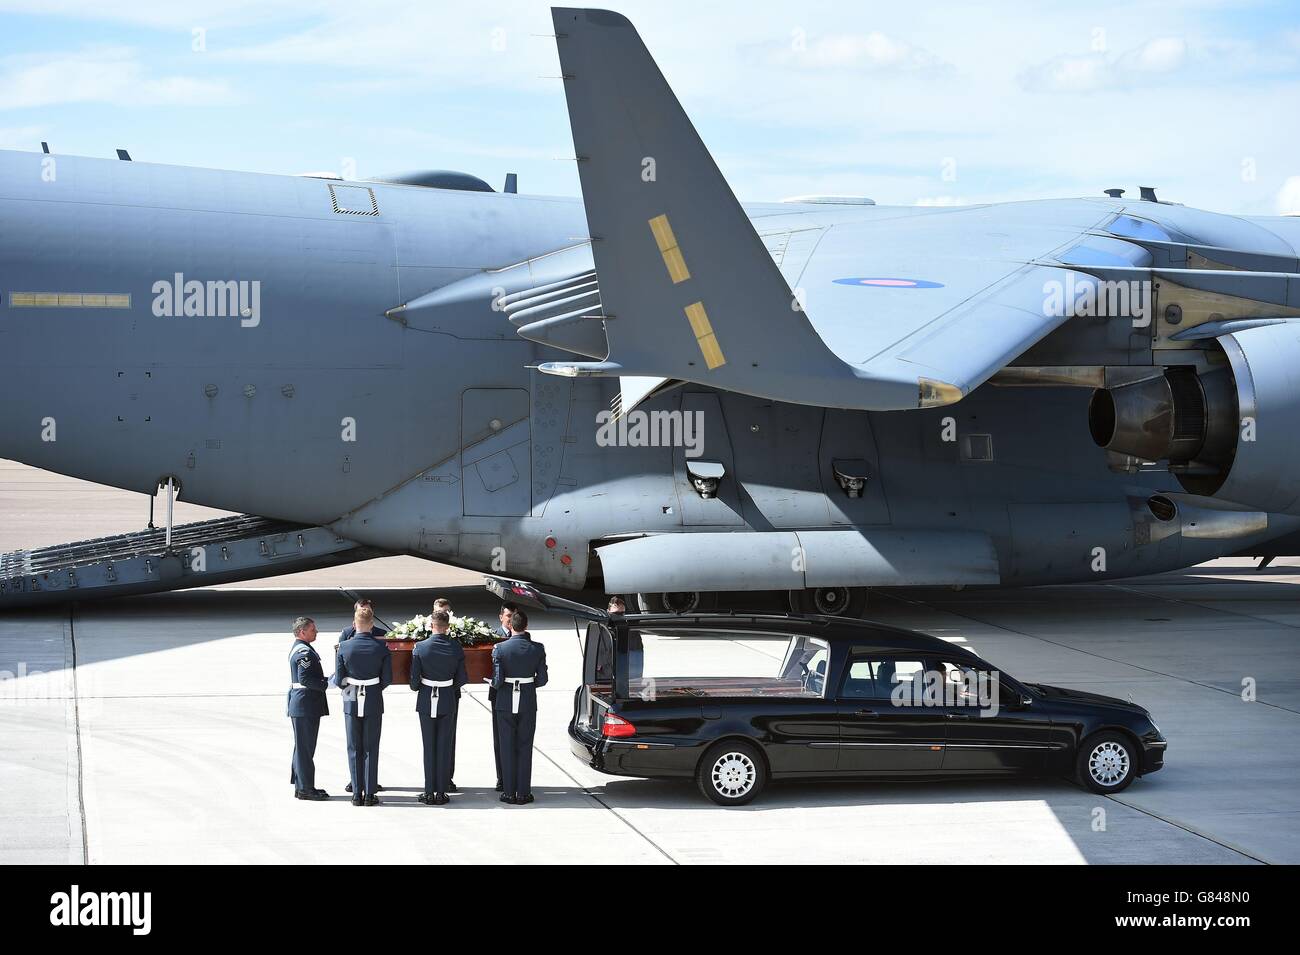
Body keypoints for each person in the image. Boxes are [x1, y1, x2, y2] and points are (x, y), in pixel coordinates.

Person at [409, 610, 467, 804]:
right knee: (444, 746)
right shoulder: (455, 647)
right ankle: (441, 792)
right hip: (447, 699)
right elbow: (461, 678)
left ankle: (428, 791)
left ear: (430, 625)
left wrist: (422, 686)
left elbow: (414, 682)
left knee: (429, 746)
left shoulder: (420, 647)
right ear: (448, 627)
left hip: (426, 698)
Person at [491, 609, 548, 804]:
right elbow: (542, 679)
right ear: (526, 626)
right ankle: (523, 792)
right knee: (525, 746)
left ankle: (509, 792)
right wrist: (528, 684)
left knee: (506, 746)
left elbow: (497, 681)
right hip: (527, 700)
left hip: (505, 701)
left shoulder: (500, 648)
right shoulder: (537, 648)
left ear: (510, 625)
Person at [336, 607, 392, 806]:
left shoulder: (343, 646)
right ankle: (369, 793)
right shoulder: (381, 647)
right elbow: (387, 679)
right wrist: (372, 688)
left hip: (351, 696)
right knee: (371, 746)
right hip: (373, 696)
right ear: (371, 625)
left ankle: (356, 794)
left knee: (353, 746)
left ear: (354, 624)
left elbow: (339, 680)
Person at [287, 616, 329, 801]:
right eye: (313, 629)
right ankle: (305, 789)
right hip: (305, 705)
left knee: (302, 748)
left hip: (303, 705)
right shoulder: (304, 652)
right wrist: (326, 684)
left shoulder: (302, 648)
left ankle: (302, 786)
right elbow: (305, 678)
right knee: (305, 749)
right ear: (302, 632)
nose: (316, 632)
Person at [488, 601, 519, 791]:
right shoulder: (492, 636)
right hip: (499, 694)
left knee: (518, 739)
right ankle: (502, 778)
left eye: (514, 616)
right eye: (508, 616)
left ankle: (516, 777)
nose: (511, 619)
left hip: (518, 693)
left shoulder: (522, 636)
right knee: (500, 739)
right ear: (501, 617)